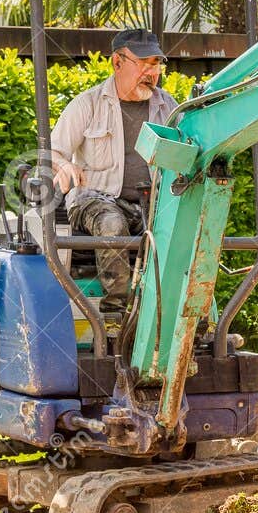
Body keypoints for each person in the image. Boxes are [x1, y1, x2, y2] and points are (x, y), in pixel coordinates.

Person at [49, 29, 177, 317]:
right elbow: (52, 153)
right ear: (117, 63)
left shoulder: (168, 106)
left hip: (150, 204)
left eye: (156, 63)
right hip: (96, 201)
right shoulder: (88, 105)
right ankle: (115, 315)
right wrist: (65, 165)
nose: (151, 71)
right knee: (111, 224)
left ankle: (178, 317)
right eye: (143, 62)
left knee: (187, 225)